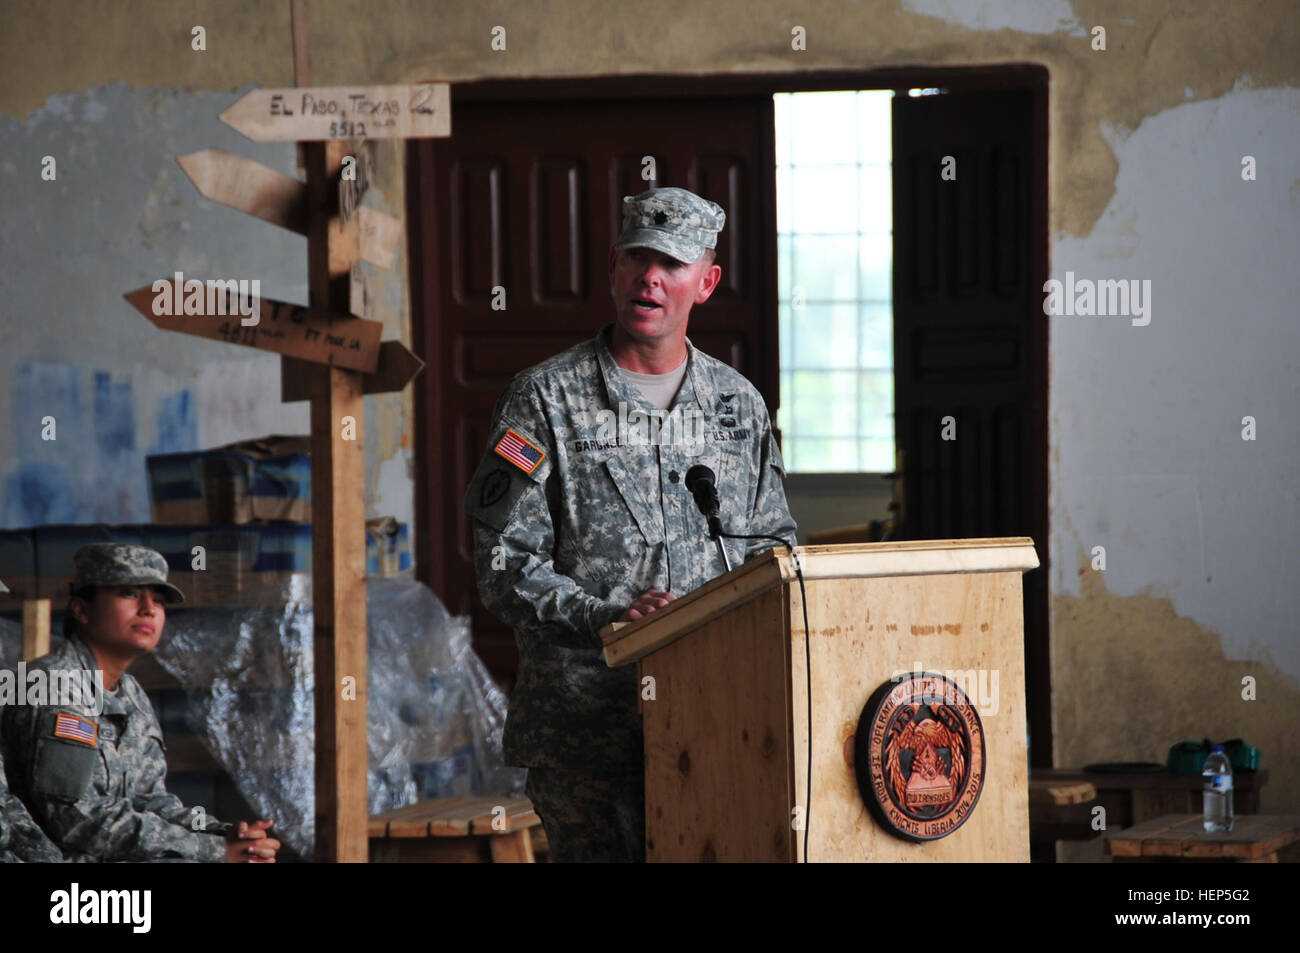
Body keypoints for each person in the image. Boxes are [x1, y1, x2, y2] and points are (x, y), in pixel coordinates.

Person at [465, 186, 798, 861]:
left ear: (705, 283)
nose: (651, 277)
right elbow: (502, 561)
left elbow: (779, 553)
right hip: (588, 728)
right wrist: (607, 614)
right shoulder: (543, 399)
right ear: (613, 268)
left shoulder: (738, 406)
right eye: (638, 257)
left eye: (672, 263)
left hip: (721, 724)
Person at [0, 544, 280, 862]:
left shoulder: (131, 693)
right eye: (129, 593)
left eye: (158, 600)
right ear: (81, 609)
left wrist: (224, 835)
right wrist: (213, 852)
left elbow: (148, 801)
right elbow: (79, 822)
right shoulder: (56, 687)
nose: (148, 609)